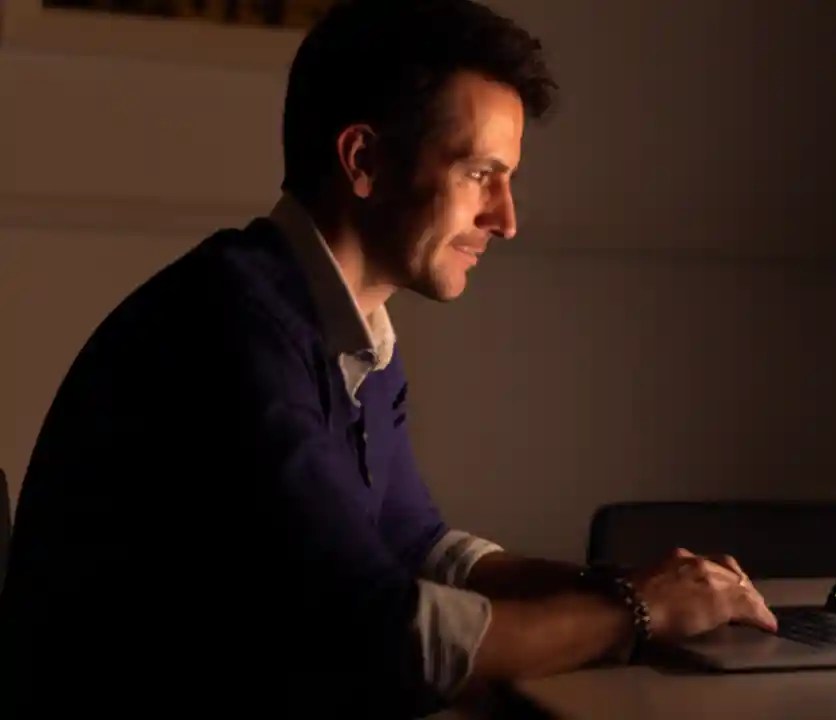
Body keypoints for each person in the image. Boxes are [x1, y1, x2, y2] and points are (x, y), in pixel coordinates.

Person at [0, 1, 777, 716]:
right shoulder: (231, 334)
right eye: (481, 175)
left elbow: (417, 549)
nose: (505, 220)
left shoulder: (341, 324)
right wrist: (637, 613)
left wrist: (623, 585)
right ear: (363, 162)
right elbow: (391, 642)